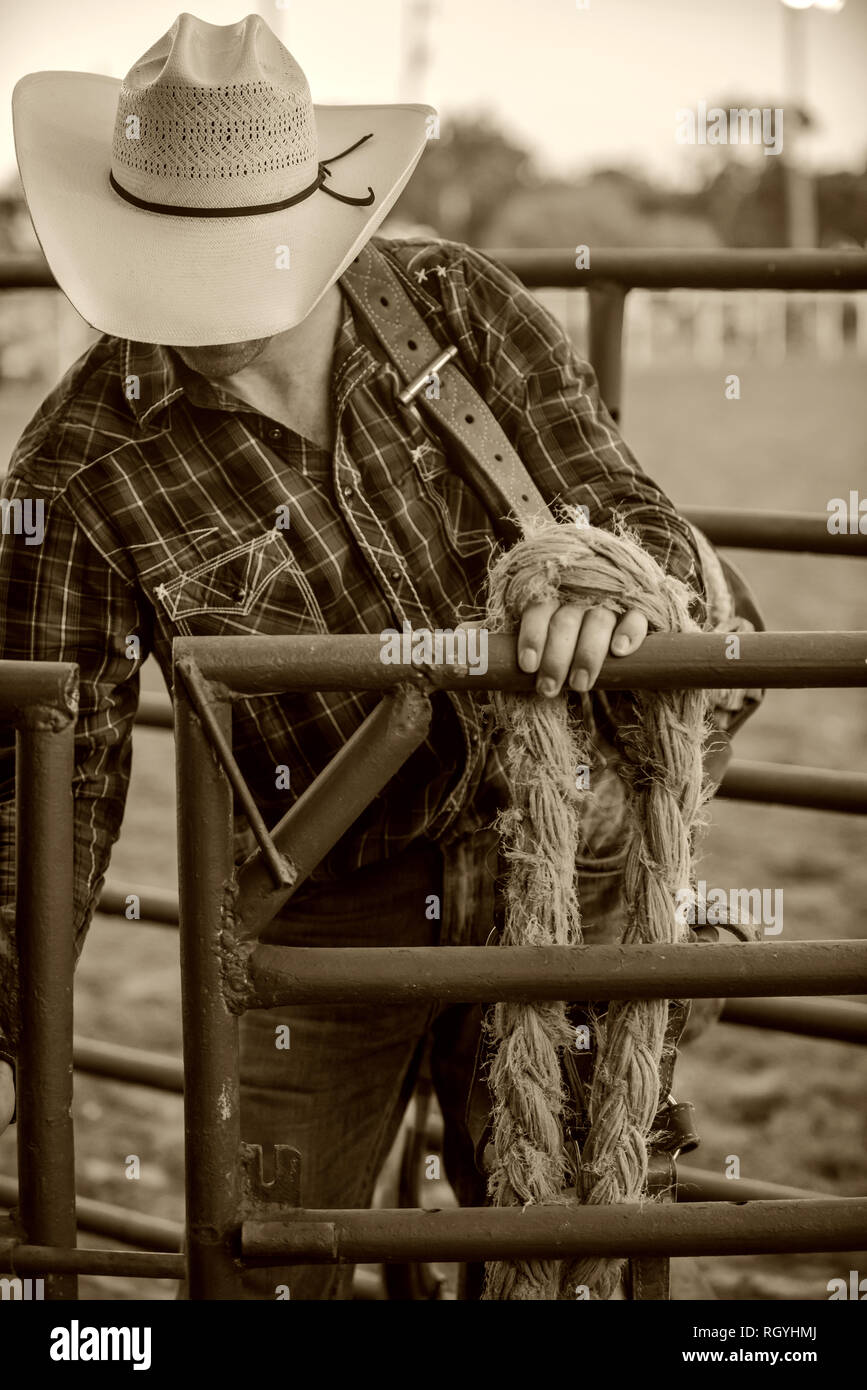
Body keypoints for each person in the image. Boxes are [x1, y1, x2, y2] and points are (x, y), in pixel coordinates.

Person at [0, 13, 758, 1299]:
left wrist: (605, 588)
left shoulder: (460, 305)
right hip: (322, 908)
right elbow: (42, 790)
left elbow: (627, 513)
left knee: (575, 1252)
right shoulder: (79, 469)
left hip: (558, 852)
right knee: (259, 1261)